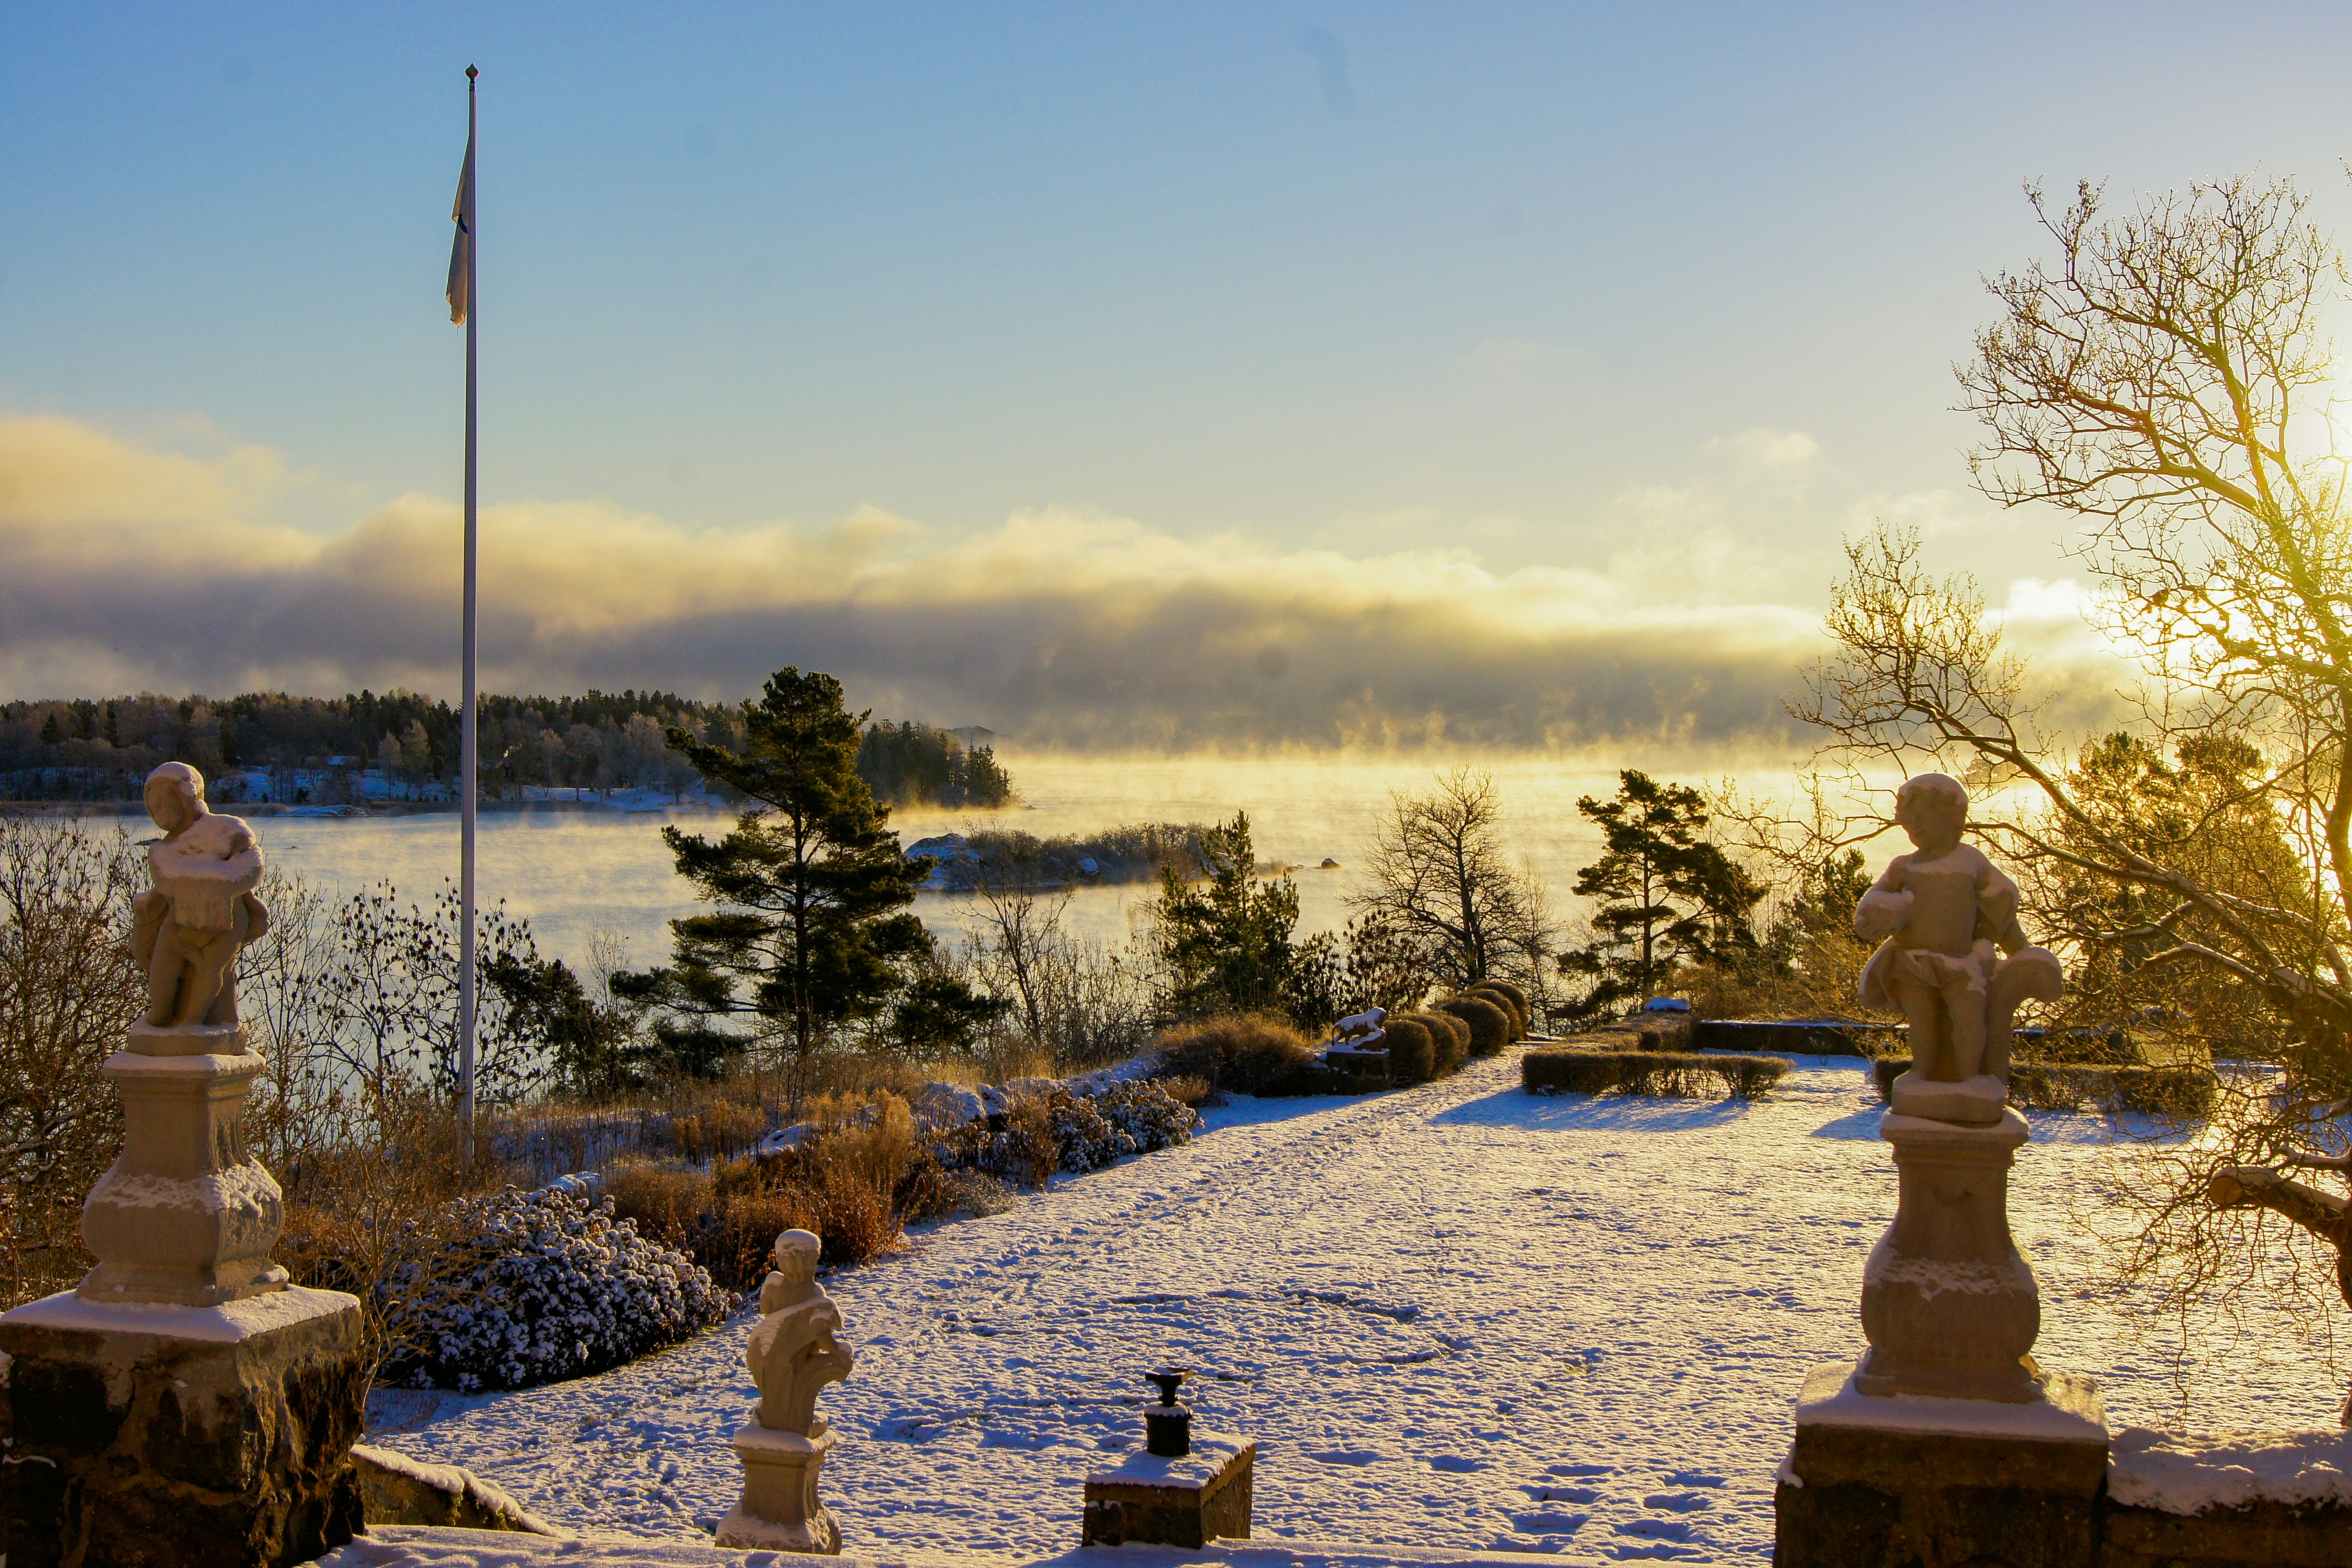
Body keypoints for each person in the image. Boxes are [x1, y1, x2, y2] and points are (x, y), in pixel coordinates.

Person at [1854, 773, 2029, 1084]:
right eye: (1908, 825)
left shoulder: (1971, 863)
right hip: (1913, 963)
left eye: (1922, 819)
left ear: (1953, 817)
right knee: (1922, 1022)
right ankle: (1922, 1072)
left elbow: (2000, 905)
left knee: (1969, 1018)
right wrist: (1886, 908)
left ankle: (1970, 1077)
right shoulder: (1903, 867)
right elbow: (1868, 908)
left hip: (1962, 964)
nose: (1915, 830)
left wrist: (2021, 953)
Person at [130, 761, 269, 1028]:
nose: (158, 813)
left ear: (186, 798)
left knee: (211, 968)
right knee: (162, 971)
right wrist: (218, 875)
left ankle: (192, 1022)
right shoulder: (161, 850)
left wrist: (202, 879)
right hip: (181, 918)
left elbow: (248, 870)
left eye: (163, 803)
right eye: (152, 807)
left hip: (228, 918)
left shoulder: (228, 828)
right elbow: (168, 882)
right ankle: (159, 1016)